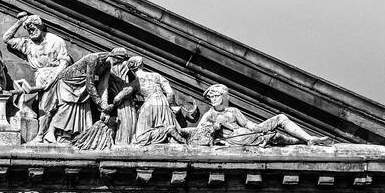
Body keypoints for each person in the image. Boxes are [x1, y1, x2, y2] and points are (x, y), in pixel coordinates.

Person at [193, 83, 333, 147]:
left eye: (217, 95)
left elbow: (248, 124)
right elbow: (198, 134)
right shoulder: (209, 115)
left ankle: (308, 138)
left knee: (281, 118)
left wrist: (262, 127)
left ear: (223, 97)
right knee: (276, 137)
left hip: (247, 133)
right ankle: (303, 142)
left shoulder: (233, 111)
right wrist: (214, 128)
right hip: (236, 139)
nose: (214, 99)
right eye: (211, 97)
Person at [39, 48, 130, 143]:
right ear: (114, 57)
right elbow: (90, 84)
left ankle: (70, 136)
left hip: (82, 88)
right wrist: (100, 103)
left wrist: (104, 108)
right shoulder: (94, 59)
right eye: (119, 61)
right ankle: (50, 132)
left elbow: (103, 86)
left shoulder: (107, 65)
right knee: (66, 108)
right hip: (68, 82)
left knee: (81, 111)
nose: (118, 65)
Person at [4, 12, 71, 130]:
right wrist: (19, 22)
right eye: (28, 30)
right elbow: (6, 38)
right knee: (42, 105)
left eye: (33, 28)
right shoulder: (28, 43)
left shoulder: (56, 40)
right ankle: (43, 133)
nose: (31, 32)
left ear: (40, 26)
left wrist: (54, 76)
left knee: (50, 106)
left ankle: (46, 133)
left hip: (55, 77)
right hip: (40, 77)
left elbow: (64, 62)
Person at [109, 55, 184, 146]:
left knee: (140, 138)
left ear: (131, 69)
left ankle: (166, 130)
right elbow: (170, 93)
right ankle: (167, 130)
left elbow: (117, 98)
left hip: (150, 104)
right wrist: (172, 107)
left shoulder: (135, 83)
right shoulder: (156, 76)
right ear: (141, 65)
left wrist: (111, 105)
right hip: (164, 104)